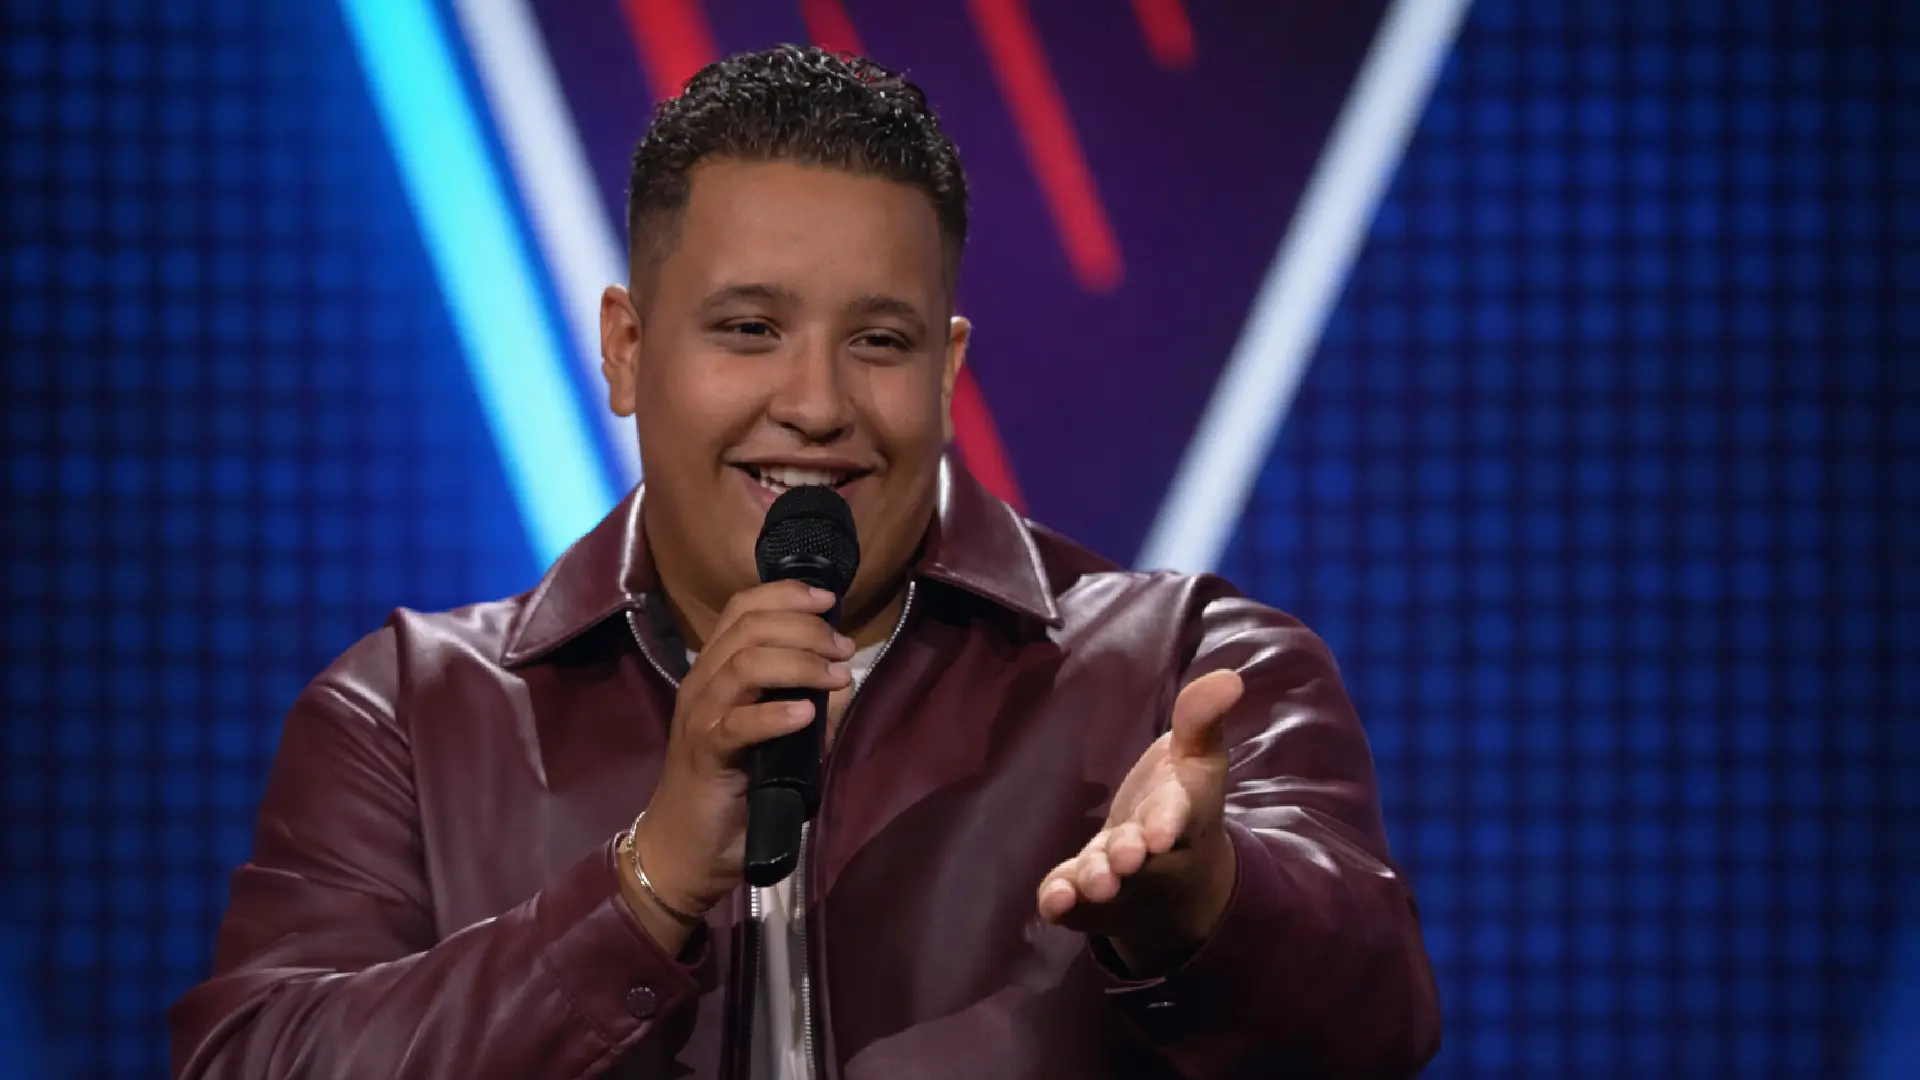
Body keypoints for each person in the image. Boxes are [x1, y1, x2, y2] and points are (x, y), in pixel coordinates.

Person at [169, 45, 1439, 1080]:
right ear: (626, 349)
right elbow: (256, 1060)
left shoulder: (1182, 671)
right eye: (749, 328)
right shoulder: (408, 712)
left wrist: (1204, 908)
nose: (817, 404)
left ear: (945, 371)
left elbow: (1380, 1026)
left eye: (879, 342)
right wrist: (647, 881)